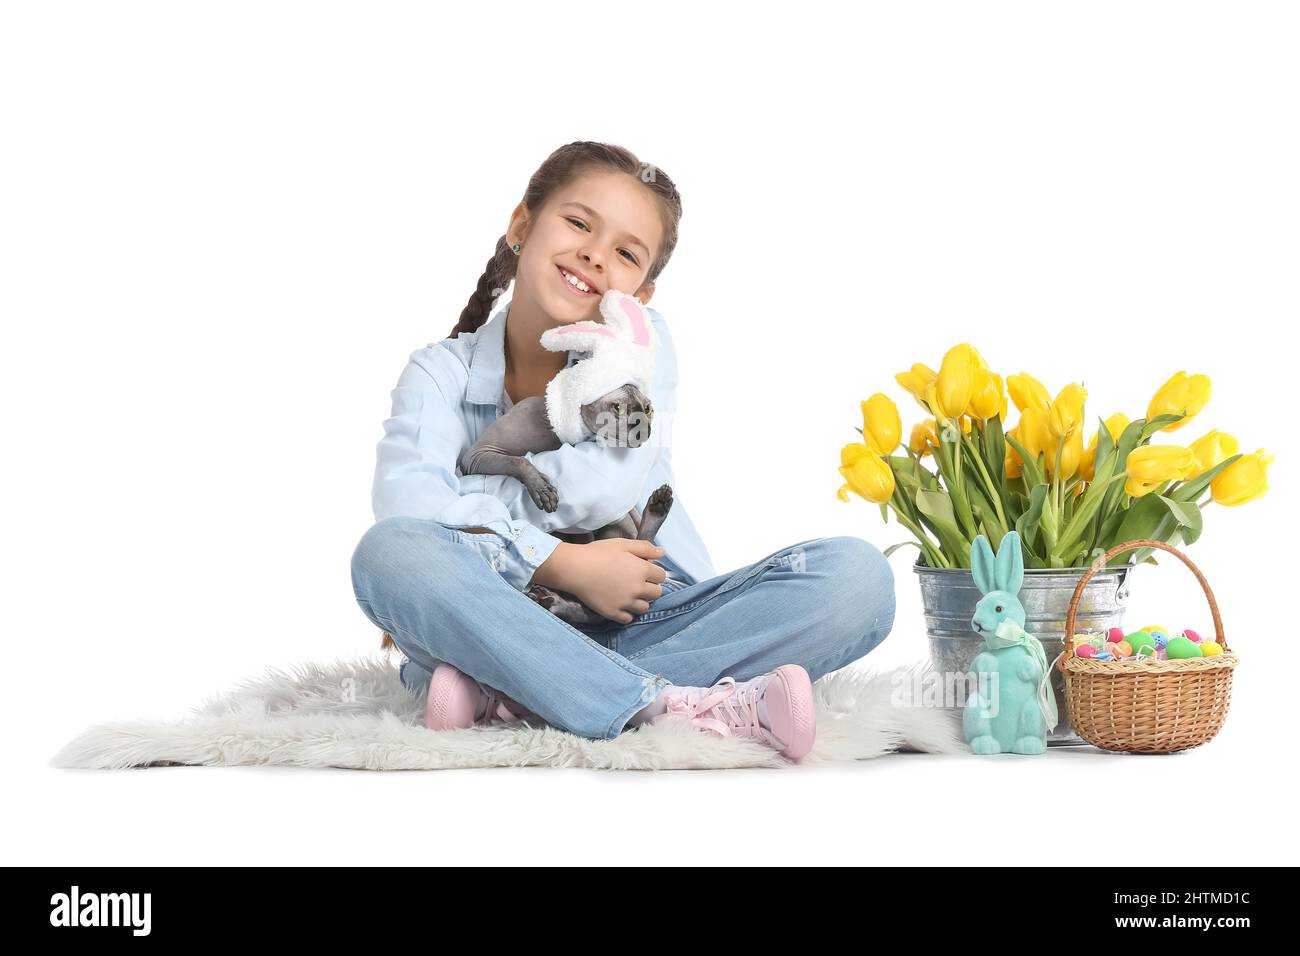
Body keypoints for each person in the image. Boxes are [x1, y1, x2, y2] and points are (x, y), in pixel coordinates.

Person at [349, 141, 897, 761]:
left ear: (641, 296)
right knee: (388, 554)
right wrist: (555, 562)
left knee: (858, 579)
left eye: (626, 252)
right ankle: (658, 704)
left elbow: (601, 487)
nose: (593, 253)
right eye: (578, 223)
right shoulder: (438, 372)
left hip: (649, 610)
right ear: (521, 225)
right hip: (501, 609)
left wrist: (468, 509)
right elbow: (406, 510)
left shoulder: (639, 350)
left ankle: (514, 691)